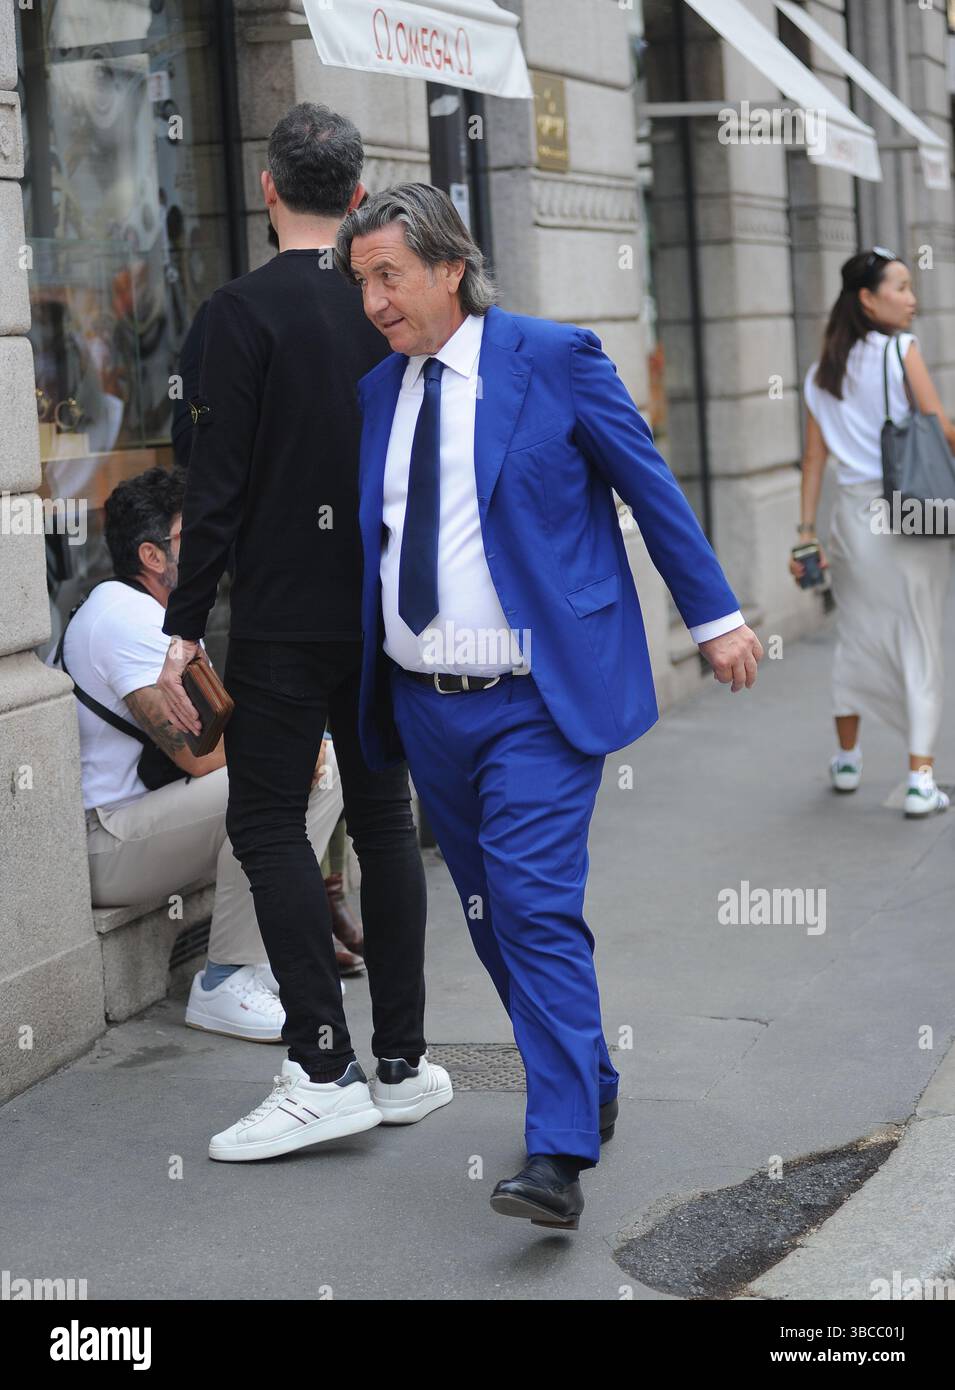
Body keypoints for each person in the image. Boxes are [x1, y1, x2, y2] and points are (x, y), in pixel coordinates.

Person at [335, 183, 763, 1230]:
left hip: (535, 695)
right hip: (424, 703)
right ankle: (587, 1080)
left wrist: (715, 614)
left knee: (528, 908)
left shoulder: (551, 358)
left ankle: (557, 1152)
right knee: (491, 919)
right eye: (361, 285)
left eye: (388, 276)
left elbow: (647, 485)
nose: (375, 303)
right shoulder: (377, 396)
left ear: (449, 266)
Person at [155, 105, 452, 1164]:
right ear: (358, 187)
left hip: (281, 618)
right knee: (381, 819)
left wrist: (183, 626)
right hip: (380, 615)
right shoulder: (388, 304)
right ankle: (405, 1063)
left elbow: (214, 487)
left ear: (268, 189)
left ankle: (323, 1066)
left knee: (269, 823)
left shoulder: (238, 313)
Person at [55, 466, 350, 1042]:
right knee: (298, 774)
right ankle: (223, 979)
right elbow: (195, 750)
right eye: (193, 534)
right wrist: (293, 750)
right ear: (153, 555)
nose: (217, 540)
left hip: (145, 825)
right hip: (107, 843)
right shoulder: (125, 617)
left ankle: (263, 955)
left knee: (310, 763)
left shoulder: (154, 611)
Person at [794, 248, 955, 818]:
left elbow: (813, 461)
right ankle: (919, 779)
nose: (913, 299)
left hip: (852, 523)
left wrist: (805, 534)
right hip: (912, 514)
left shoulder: (821, 373)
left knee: (858, 635)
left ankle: (848, 760)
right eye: (902, 287)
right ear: (868, 298)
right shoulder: (900, 349)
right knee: (920, 640)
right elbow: (937, 427)